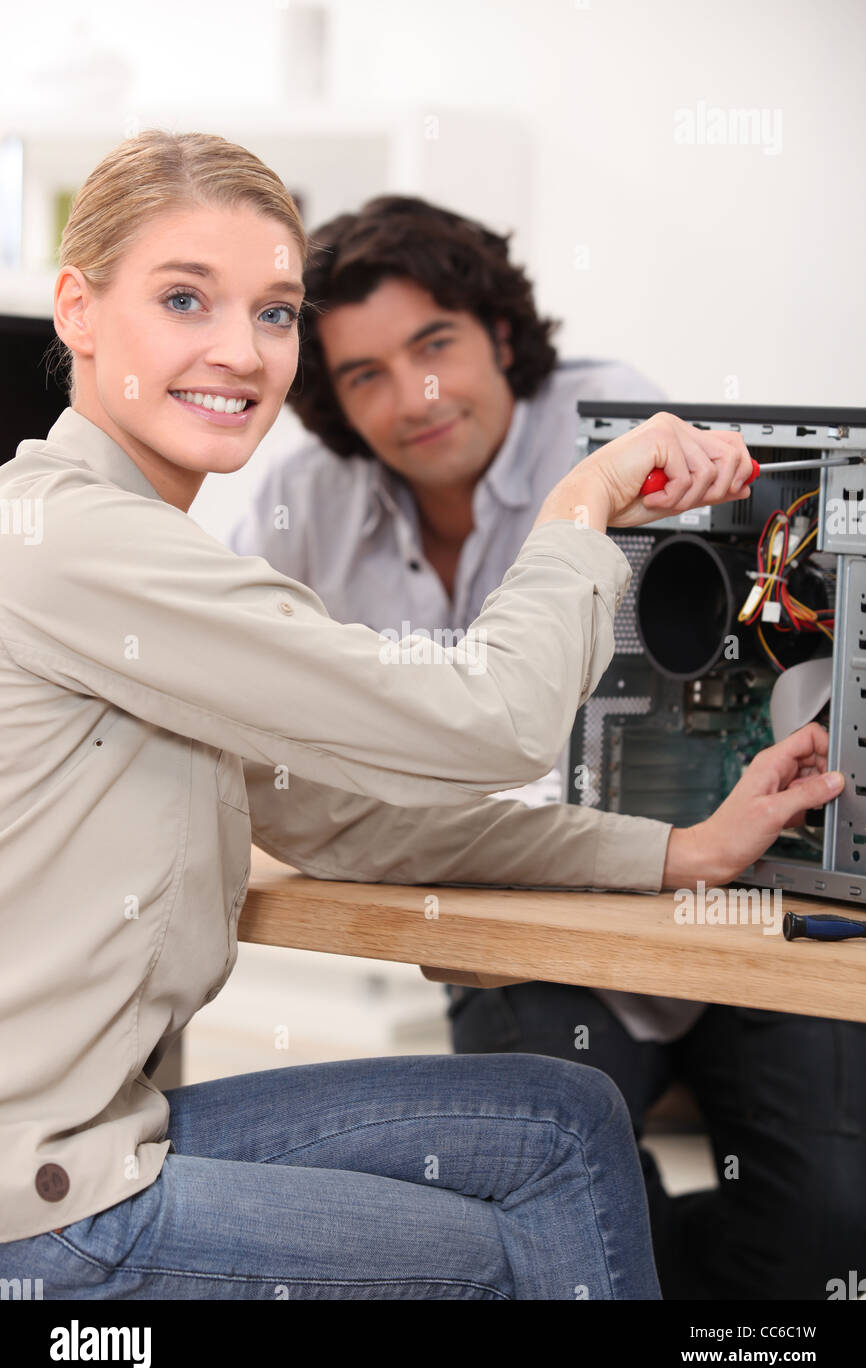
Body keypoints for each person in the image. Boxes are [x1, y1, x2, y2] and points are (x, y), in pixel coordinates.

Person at [226, 194, 866, 1301]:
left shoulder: (625, 440)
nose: (415, 397)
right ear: (330, 395)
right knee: (563, 1197)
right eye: (366, 373)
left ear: (500, 336)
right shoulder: (301, 506)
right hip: (516, 915)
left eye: (435, 346)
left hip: (728, 895)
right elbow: (269, 721)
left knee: (827, 1217)